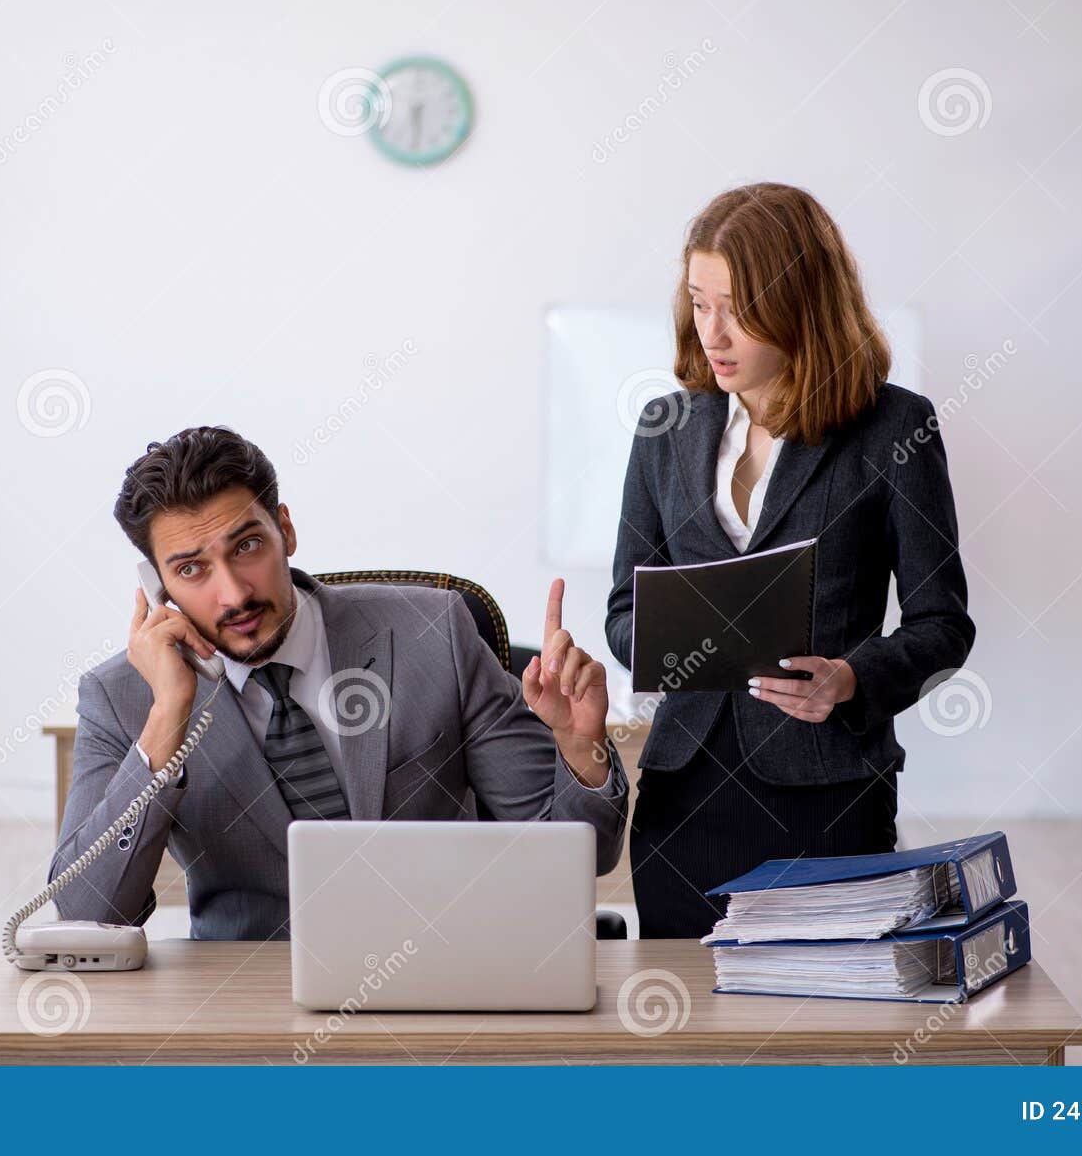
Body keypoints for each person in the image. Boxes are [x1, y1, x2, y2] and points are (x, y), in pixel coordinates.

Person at [51, 426, 628, 940]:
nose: (233, 594)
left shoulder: (435, 633)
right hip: (249, 1004)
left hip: (445, 977)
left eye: (246, 545)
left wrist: (581, 748)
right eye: (191, 569)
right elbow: (88, 914)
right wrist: (167, 719)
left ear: (285, 529)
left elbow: (580, 856)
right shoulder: (123, 698)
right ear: (158, 586)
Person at [606, 183, 975, 939]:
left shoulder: (893, 427)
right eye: (699, 303)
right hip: (685, 790)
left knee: (818, 1030)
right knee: (686, 1033)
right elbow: (623, 614)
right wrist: (674, 645)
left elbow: (943, 626)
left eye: (736, 307)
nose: (714, 332)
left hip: (829, 791)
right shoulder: (664, 428)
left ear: (803, 302)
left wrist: (851, 678)